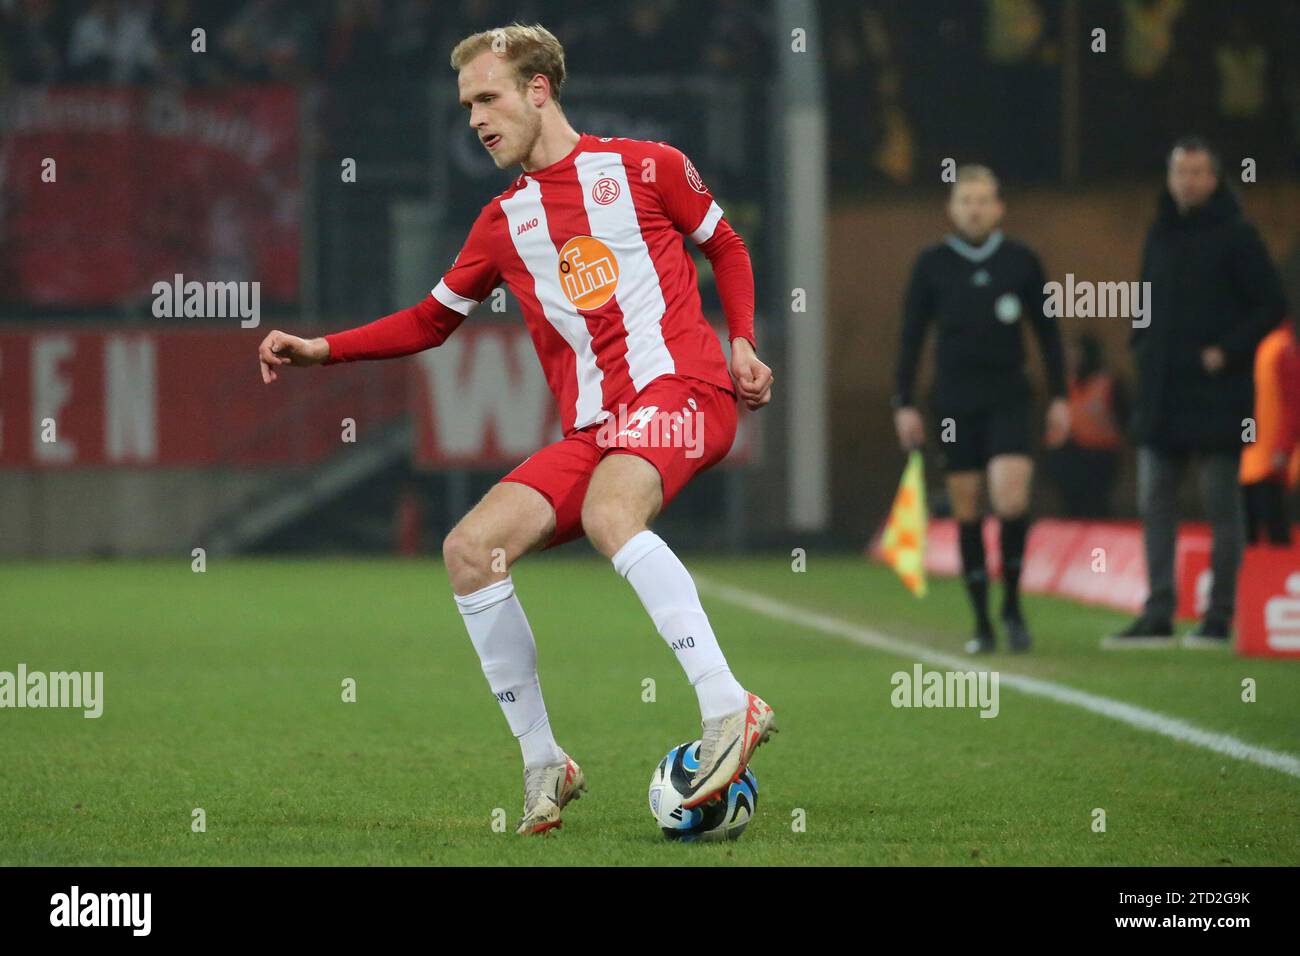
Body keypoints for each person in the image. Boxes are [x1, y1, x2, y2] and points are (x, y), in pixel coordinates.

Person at [256, 23, 776, 835]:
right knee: (469, 551)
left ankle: (726, 705)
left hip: (685, 390)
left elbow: (727, 244)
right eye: (467, 106)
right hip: (598, 429)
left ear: (540, 90)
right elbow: (431, 322)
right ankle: (544, 760)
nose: (475, 119)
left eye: (489, 98)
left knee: (611, 514)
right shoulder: (503, 223)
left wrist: (741, 337)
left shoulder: (647, 166)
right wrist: (321, 350)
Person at [1104, 137, 1287, 649]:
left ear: (1215, 178)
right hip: (1161, 391)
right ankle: (1158, 612)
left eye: (1198, 172)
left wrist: (1226, 351)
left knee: (1219, 504)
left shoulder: (1237, 235)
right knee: (1154, 499)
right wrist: (1141, 344)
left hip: (1215, 393)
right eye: (1179, 172)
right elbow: (1144, 296)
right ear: (1169, 178)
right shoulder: (1159, 233)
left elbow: (1271, 305)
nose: (1188, 181)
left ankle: (1218, 617)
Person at [892, 165, 1069, 655]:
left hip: (1010, 395)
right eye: (965, 200)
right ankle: (981, 623)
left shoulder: (1022, 261)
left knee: (1011, 498)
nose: (974, 208)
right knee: (968, 505)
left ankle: (1012, 606)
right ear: (952, 208)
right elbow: (911, 336)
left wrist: (1059, 396)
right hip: (952, 402)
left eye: (983, 200)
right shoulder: (932, 263)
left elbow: (1048, 334)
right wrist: (903, 401)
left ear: (998, 208)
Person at [1045, 334, 1126, 518]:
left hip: (1099, 457)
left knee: (1096, 507)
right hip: (1066, 456)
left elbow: (1124, 417)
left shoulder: (1108, 382)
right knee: (1069, 507)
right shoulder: (1061, 384)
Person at [1240, 317, 1300, 545]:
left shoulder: (1280, 349)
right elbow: (1249, 405)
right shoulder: (1253, 347)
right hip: (1249, 460)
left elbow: (1293, 405)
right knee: (1247, 532)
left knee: (1275, 528)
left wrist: (1283, 448)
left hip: (1271, 461)